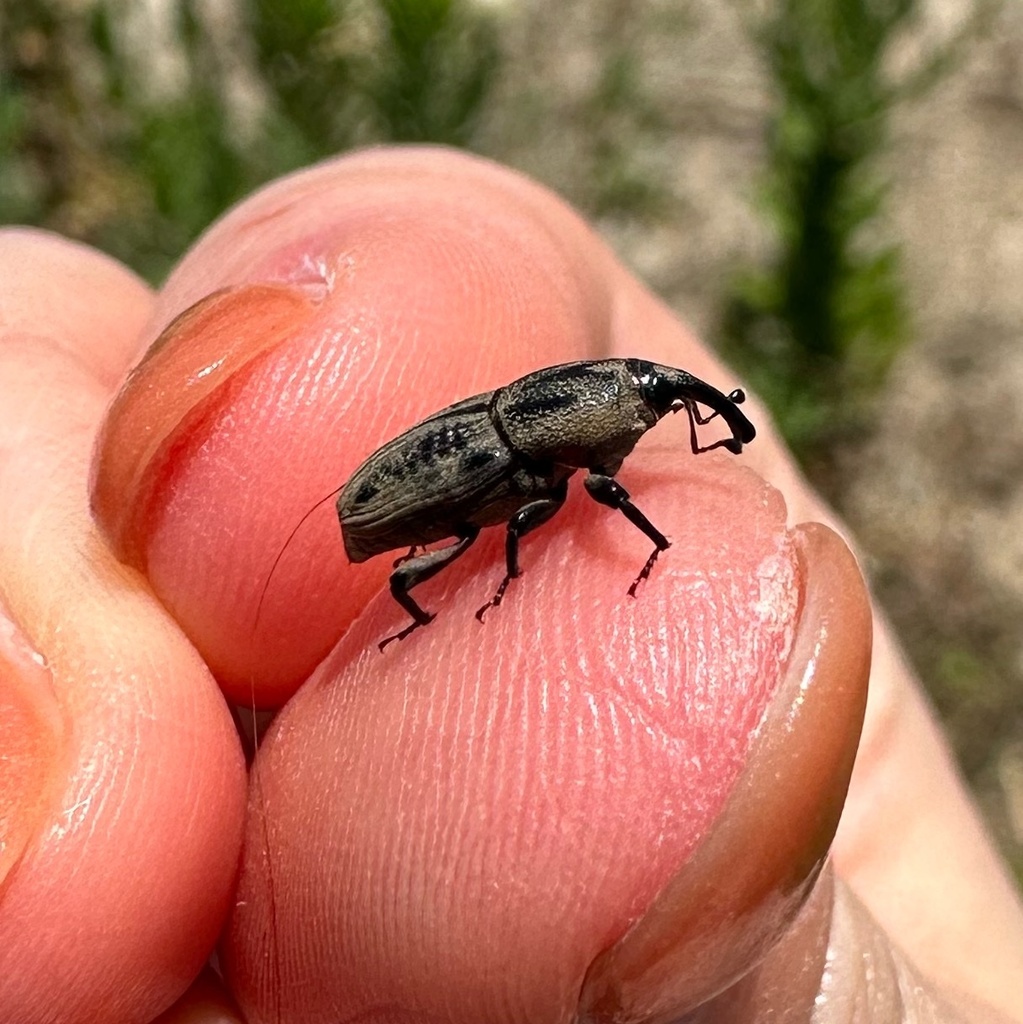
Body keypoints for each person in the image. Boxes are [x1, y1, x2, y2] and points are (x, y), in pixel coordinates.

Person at [1, 148, 1020, 1024]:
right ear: (578, 421)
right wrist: (636, 545)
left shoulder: (556, 443)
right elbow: (545, 510)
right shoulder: (534, 473)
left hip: (480, 457)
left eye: (654, 398)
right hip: (435, 482)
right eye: (640, 402)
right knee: (469, 556)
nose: (656, 410)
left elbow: (581, 450)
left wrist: (683, 405)